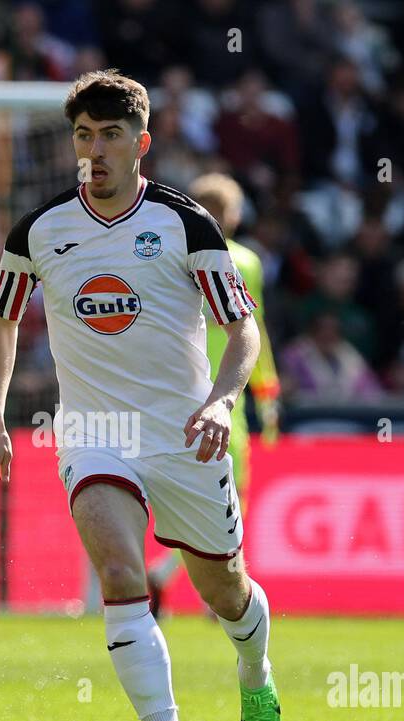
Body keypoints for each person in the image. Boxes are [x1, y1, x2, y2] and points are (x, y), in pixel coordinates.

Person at [0, 70, 279, 721]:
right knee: (119, 573)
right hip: (95, 434)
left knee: (225, 591)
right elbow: (2, 321)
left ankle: (255, 671)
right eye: (84, 136)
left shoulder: (185, 225)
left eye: (110, 135)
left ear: (140, 144)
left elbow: (243, 328)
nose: (95, 150)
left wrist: (220, 400)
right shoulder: (40, 230)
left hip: (184, 437)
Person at [145, 171, 280, 617]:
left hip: (178, 388)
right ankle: (215, 588)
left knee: (196, 494)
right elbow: (253, 331)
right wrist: (266, 388)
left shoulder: (170, 253)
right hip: (227, 392)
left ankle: (198, 584)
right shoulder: (243, 260)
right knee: (228, 493)